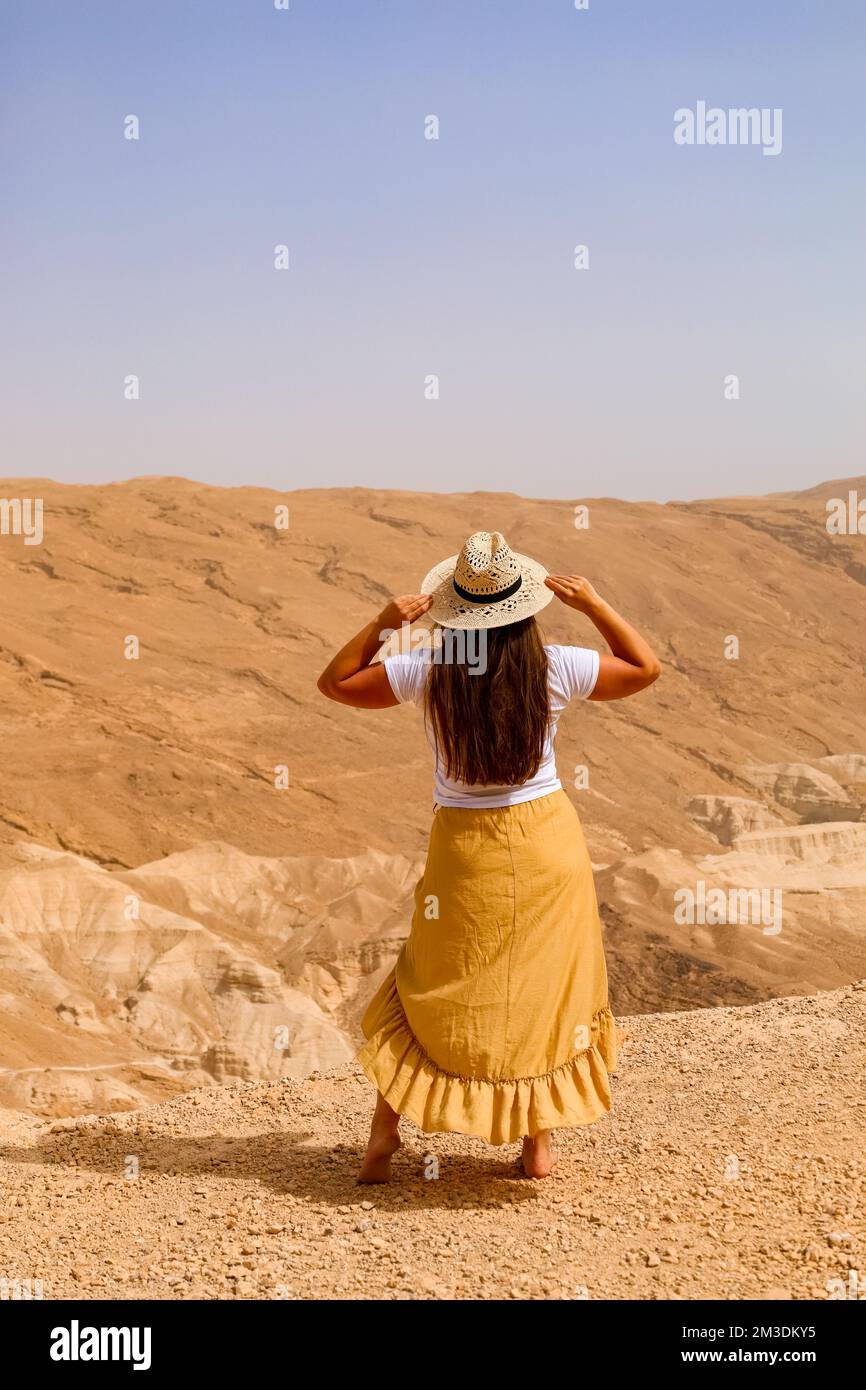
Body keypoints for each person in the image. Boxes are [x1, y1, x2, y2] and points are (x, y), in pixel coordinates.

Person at [317, 531, 660, 1181]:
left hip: (464, 854)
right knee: (544, 990)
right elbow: (644, 668)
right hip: (546, 845)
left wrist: (384, 623)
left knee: (427, 983)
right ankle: (535, 1145)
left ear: (453, 612)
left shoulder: (428, 672)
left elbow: (336, 683)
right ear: (525, 608)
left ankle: (384, 1131)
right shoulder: (555, 666)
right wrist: (594, 605)